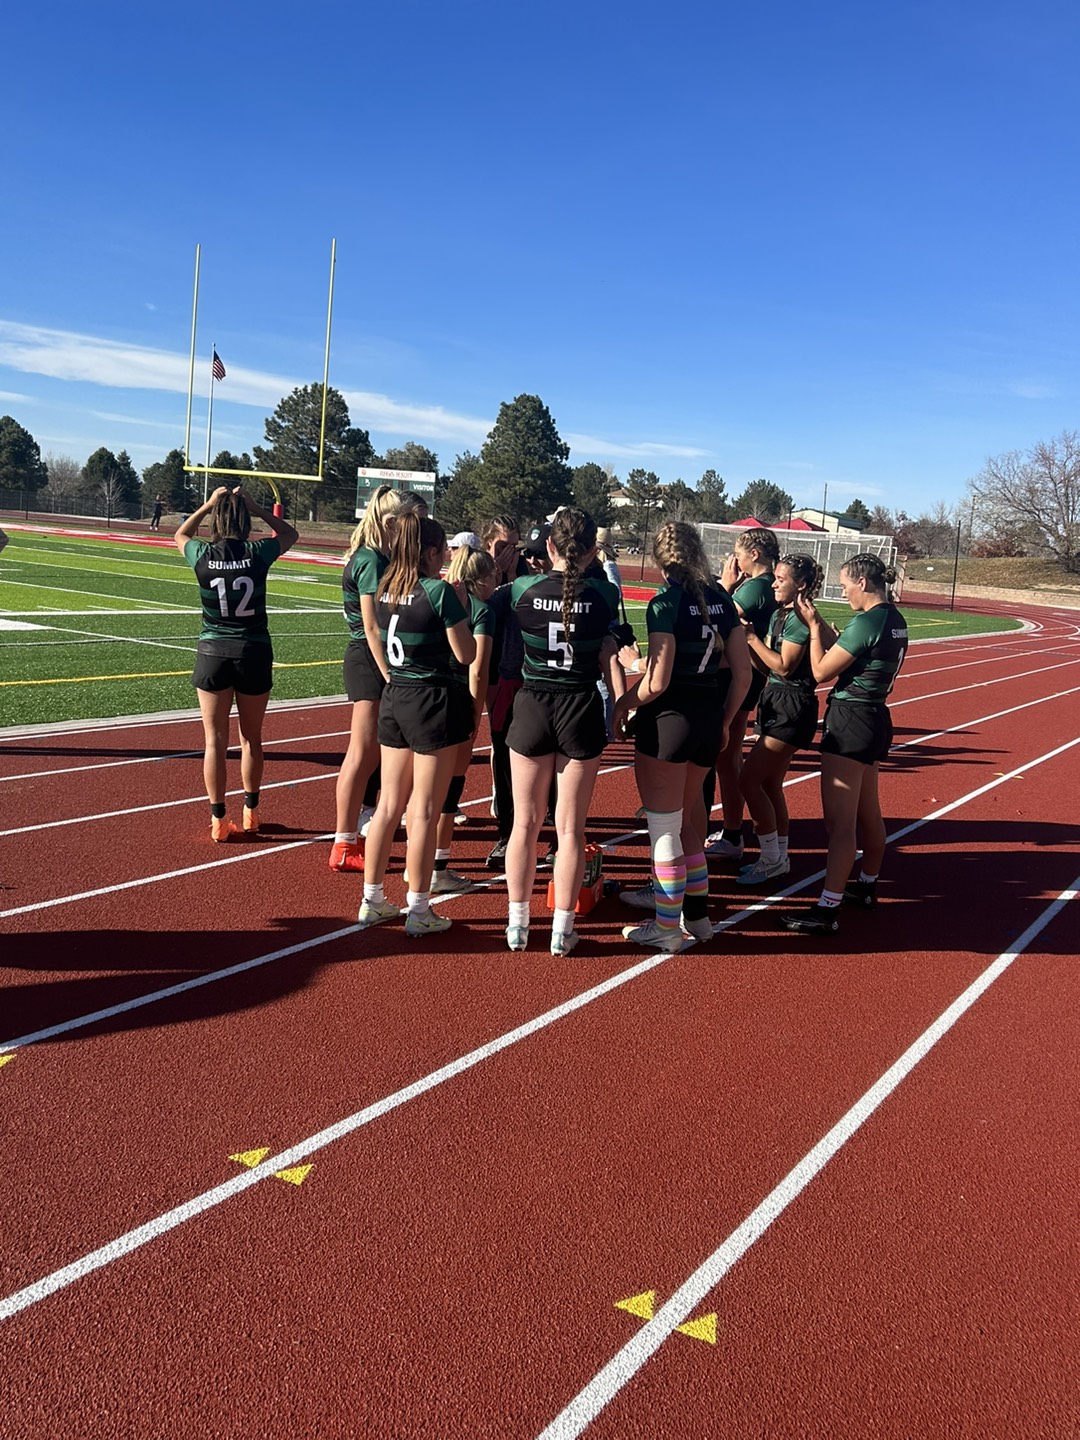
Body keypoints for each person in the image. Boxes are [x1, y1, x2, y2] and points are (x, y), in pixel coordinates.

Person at [612, 522, 738, 951]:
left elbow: (657, 681)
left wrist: (623, 703)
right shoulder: (720, 599)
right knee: (689, 826)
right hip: (707, 718)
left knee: (664, 828)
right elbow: (742, 672)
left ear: (660, 559)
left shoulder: (664, 602)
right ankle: (698, 919)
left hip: (670, 721)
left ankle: (667, 927)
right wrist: (725, 720)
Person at [504, 507, 620, 955]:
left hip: (533, 704)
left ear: (549, 546)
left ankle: (517, 923)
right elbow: (610, 636)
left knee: (524, 824)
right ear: (592, 551)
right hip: (580, 705)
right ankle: (562, 928)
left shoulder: (521, 589)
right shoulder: (605, 594)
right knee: (570, 828)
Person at [358, 514, 475, 937]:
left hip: (396, 697)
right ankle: (419, 908)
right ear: (429, 552)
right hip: (431, 700)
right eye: (442, 549)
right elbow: (465, 655)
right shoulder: (437, 591)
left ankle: (372, 898)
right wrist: (460, 609)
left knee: (388, 805)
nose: (446, 556)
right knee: (423, 810)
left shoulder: (384, 587)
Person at [781, 553, 908, 935]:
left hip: (851, 722)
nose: (844, 591)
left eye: (846, 585)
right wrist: (824, 628)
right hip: (874, 718)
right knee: (869, 812)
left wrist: (815, 630)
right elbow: (861, 656)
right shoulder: (894, 619)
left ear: (863, 583)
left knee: (839, 824)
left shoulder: (868, 620)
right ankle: (866, 884)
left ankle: (827, 908)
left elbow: (819, 671)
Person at [175, 486, 298, 840]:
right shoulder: (258, 552)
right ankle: (251, 811)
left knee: (214, 741)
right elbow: (290, 533)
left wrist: (208, 504)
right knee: (251, 739)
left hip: (213, 651)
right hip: (254, 651)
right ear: (244, 520)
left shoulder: (200, 551)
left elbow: (180, 534)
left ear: (216, 519)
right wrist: (258, 507)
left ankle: (217, 819)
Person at [735, 554, 824, 885]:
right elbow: (769, 666)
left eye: (781, 580)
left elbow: (786, 666)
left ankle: (772, 858)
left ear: (799, 585)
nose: (773, 584)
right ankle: (778, 856)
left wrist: (751, 640)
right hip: (776, 699)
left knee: (748, 781)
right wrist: (750, 649)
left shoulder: (802, 619)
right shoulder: (779, 614)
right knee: (770, 783)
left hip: (792, 704)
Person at [328, 484, 402, 872]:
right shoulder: (371, 560)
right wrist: (389, 673)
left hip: (370, 656)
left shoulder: (372, 555)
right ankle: (343, 841)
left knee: (370, 751)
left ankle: (354, 831)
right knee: (360, 753)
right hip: (369, 657)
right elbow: (372, 627)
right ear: (390, 523)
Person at [706, 527, 780, 858]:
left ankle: (733, 832)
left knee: (725, 758)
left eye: (738, 553)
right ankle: (733, 830)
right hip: (748, 678)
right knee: (728, 757)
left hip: (735, 678)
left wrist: (724, 586)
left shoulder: (754, 589)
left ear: (754, 554)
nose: (733, 559)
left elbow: (713, 618)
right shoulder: (763, 587)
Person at [483, 522, 551, 871]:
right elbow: (480, 613)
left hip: (546, 687)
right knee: (505, 765)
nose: (535, 561)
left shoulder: (557, 587)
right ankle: (506, 834)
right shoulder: (506, 587)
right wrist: (495, 573)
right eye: (531, 554)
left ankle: (554, 837)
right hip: (510, 682)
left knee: (552, 766)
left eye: (542, 553)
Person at [430, 545, 497, 893]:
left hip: (421, 698)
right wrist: (475, 711)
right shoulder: (480, 609)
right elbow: (477, 667)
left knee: (421, 793)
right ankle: (437, 869)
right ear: (481, 579)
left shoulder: (434, 597)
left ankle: (418, 865)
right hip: (454, 700)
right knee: (448, 795)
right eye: (492, 574)